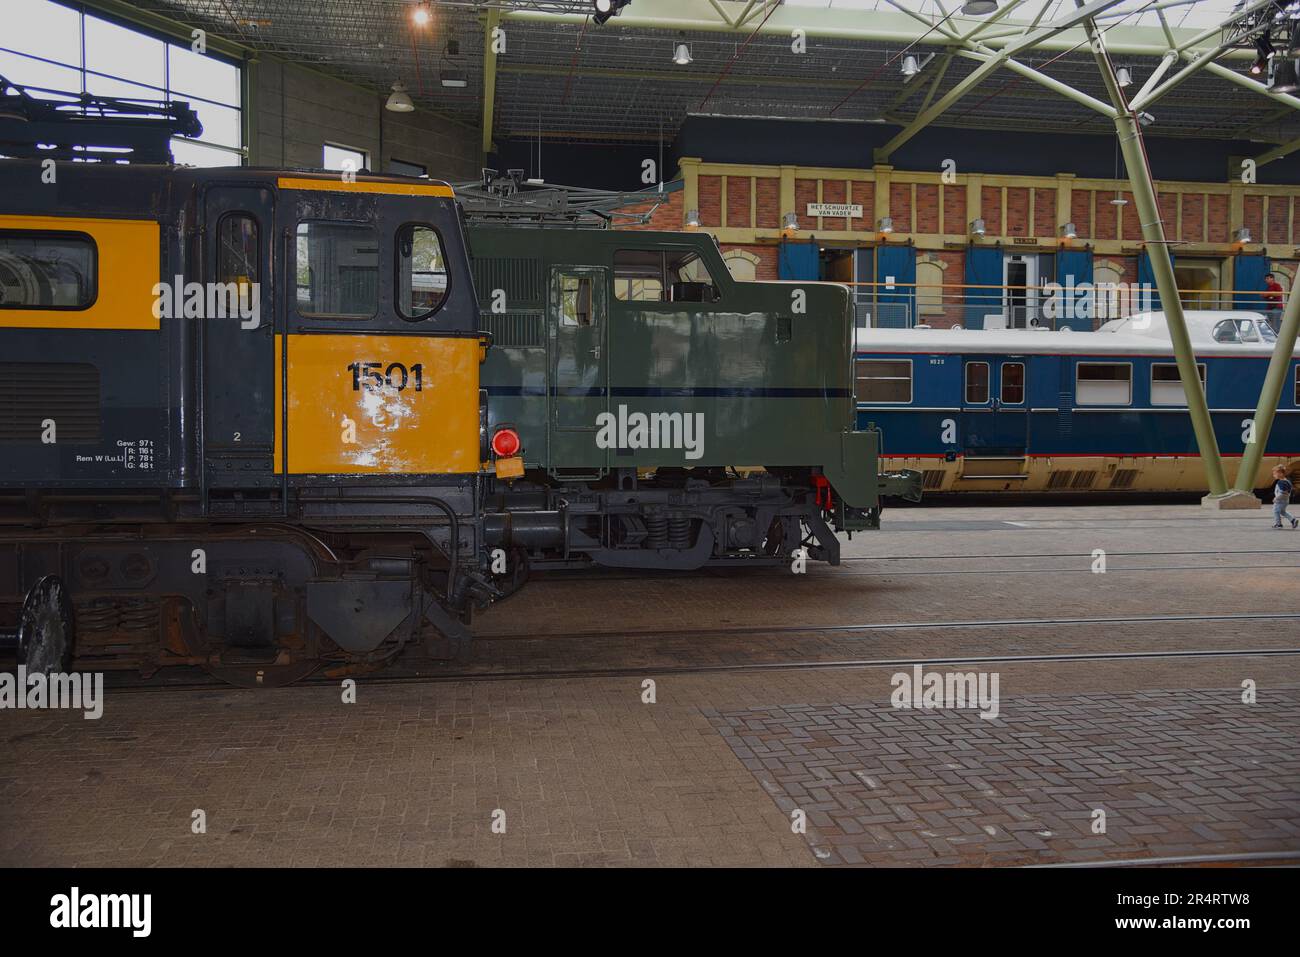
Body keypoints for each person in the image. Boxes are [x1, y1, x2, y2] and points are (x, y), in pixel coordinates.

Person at [1270, 464, 1297, 529]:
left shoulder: (1281, 482)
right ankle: (1293, 520)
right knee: (1282, 511)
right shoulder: (1287, 481)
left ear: (1281, 473)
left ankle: (1278, 524)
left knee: (1276, 511)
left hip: (1280, 500)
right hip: (1286, 500)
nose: (1273, 475)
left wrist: (1276, 498)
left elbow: (1283, 492)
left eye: (1275, 474)